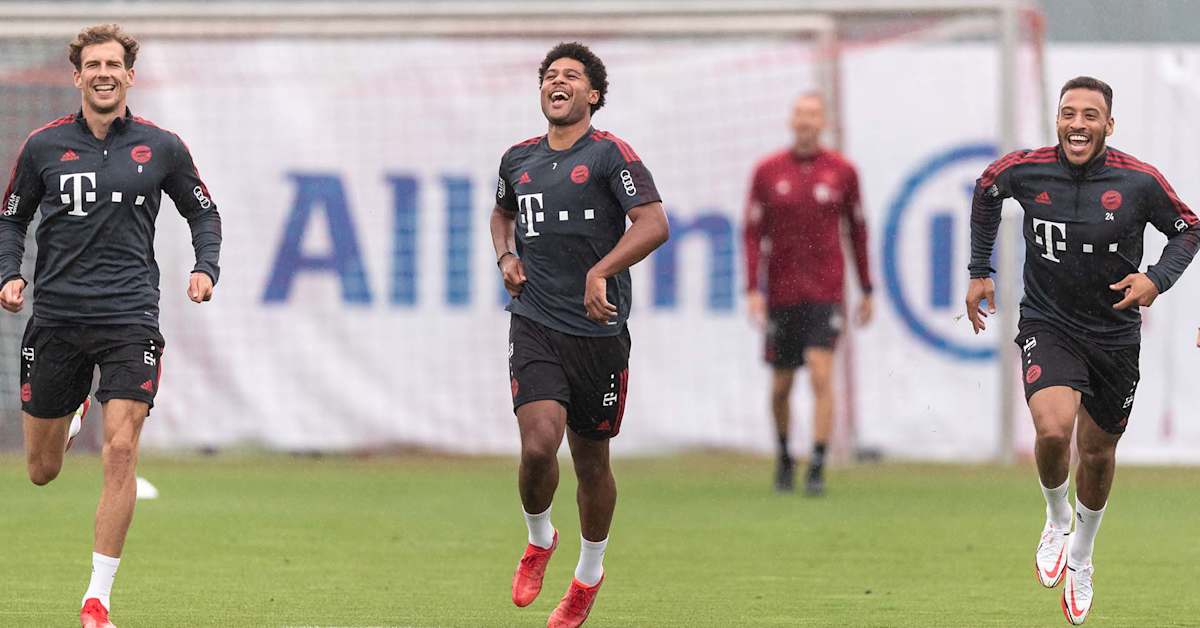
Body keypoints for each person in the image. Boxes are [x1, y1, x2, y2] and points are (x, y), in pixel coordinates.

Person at [0, 24, 222, 628]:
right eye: (92, 64)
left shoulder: (162, 147)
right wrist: (8, 275)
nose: (103, 73)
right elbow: (10, 222)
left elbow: (204, 212)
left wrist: (206, 266)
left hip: (130, 317)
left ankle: (97, 598)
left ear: (129, 74)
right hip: (58, 319)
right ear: (77, 76)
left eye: (114, 64)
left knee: (121, 449)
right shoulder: (44, 146)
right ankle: (69, 416)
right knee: (41, 471)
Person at [965, 76, 1198, 625]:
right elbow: (986, 190)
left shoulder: (1138, 181)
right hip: (1049, 322)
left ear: (1108, 125)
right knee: (1052, 428)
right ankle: (1054, 515)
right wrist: (980, 270)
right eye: (1069, 113)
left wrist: (1155, 281)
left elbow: (1188, 229)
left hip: (1115, 334)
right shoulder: (1025, 169)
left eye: (1090, 115)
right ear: (1057, 120)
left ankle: (1084, 556)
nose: (1077, 124)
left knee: (1096, 453)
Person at [490, 42, 668, 628]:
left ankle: (588, 576)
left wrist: (602, 271)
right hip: (537, 321)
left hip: (599, 334)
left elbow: (654, 223)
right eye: (550, 75)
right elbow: (502, 213)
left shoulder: (612, 154)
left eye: (571, 76)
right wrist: (505, 254)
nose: (557, 81)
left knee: (592, 463)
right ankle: (539, 539)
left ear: (592, 95)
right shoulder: (518, 159)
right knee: (539, 445)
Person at [742, 93, 873, 496]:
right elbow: (751, 233)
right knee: (782, 384)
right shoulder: (767, 171)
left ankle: (817, 464)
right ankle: (784, 455)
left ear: (824, 122)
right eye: (800, 113)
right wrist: (752, 288)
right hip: (781, 292)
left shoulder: (842, 171)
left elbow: (858, 229)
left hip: (826, 291)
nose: (806, 121)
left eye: (813, 114)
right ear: (791, 120)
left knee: (820, 372)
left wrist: (866, 287)